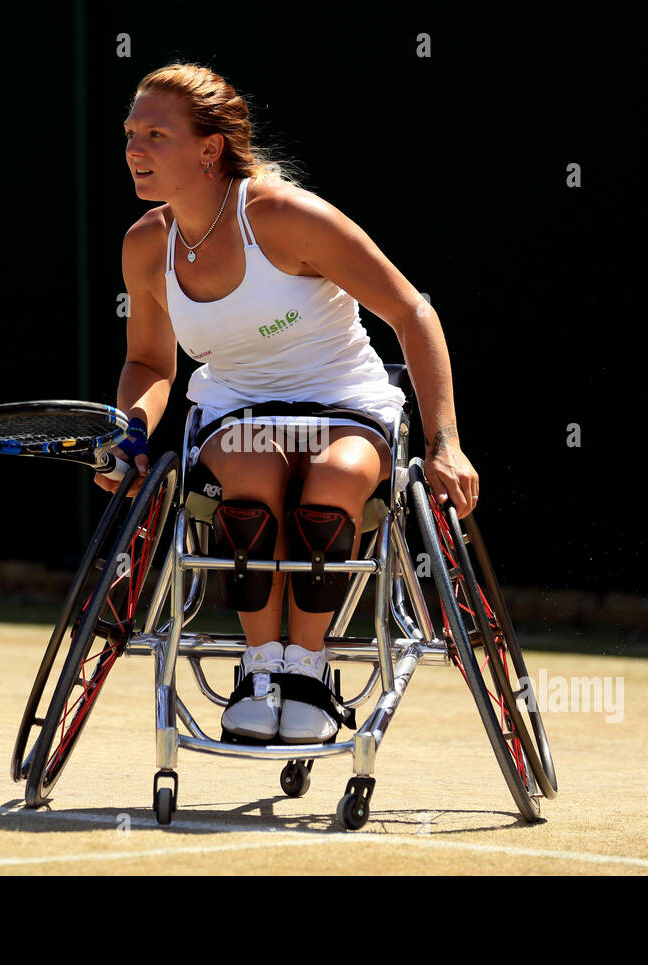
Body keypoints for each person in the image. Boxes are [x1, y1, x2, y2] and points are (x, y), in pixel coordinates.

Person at [97, 63, 478, 745]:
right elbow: (149, 363)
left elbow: (413, 312)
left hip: (344, 403)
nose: (134, 148)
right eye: (131, 133)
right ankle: (261, 668)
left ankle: (306, 667)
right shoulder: (146, 246)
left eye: (156, 134)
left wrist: (445, 441)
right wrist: (131, 435)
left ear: (209, 149)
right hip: (237, 410)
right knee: (252, 475)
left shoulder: (283, 215)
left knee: (331, 482)